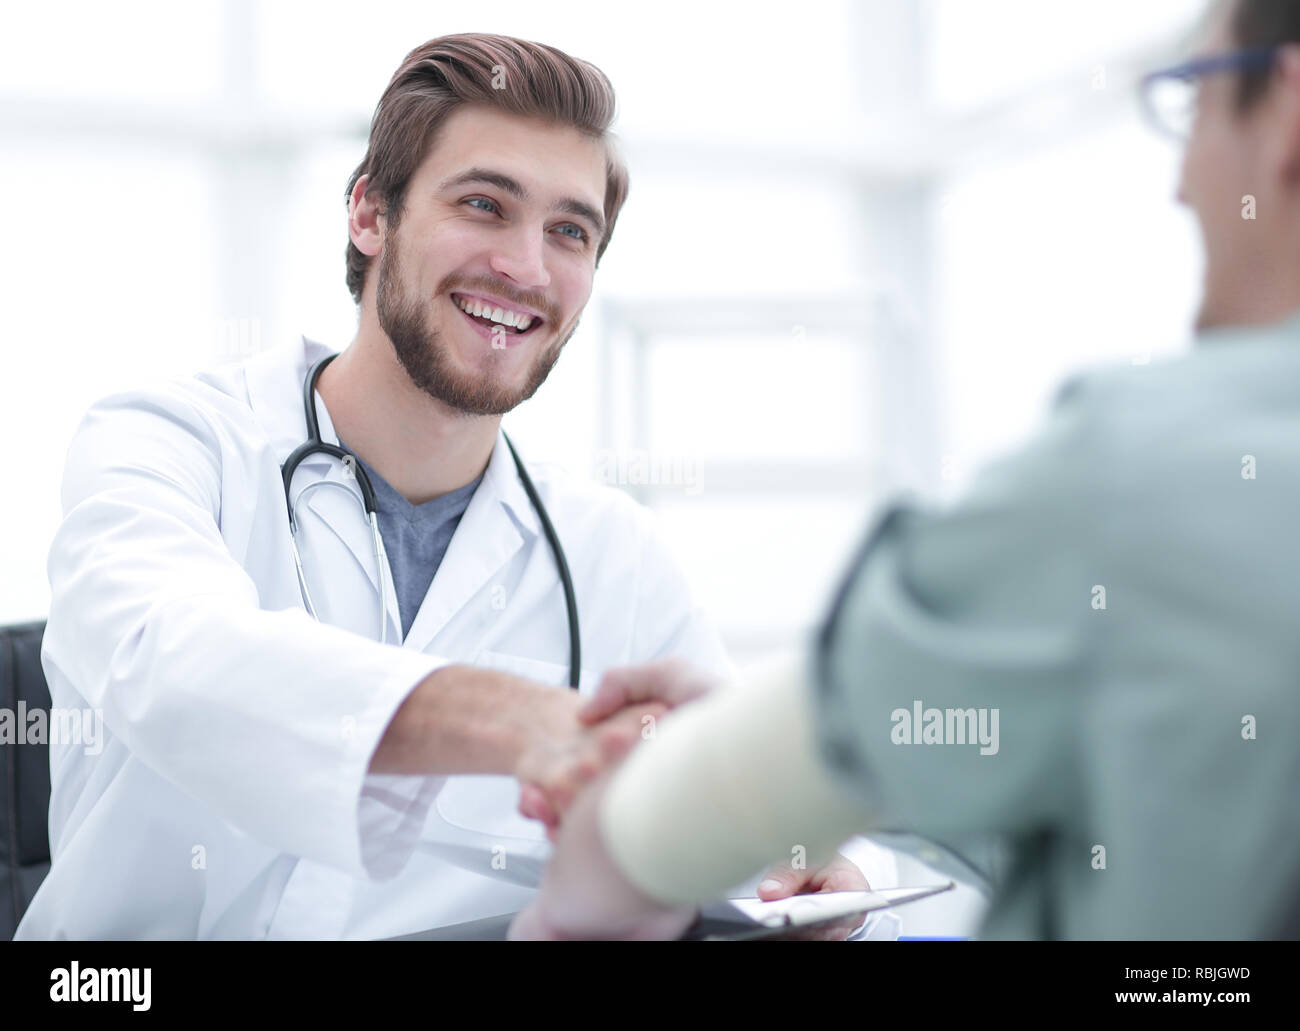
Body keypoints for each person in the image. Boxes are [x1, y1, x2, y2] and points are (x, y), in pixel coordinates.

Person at [15, 33, 892, 940]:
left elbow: (743, 797)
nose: (526, 268)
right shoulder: (166, 443)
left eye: (570, 230)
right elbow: (174, 658)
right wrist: (524, 723)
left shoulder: (609, 551)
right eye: (483, 204)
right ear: (369, 214)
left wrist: (827, 868)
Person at [509, 0, 1300, 941]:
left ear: (1285, 113)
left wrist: (596, 875)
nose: (1180, 184)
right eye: (484, 204)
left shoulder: (1149, 466)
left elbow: (704, 806)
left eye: (1193, 103)